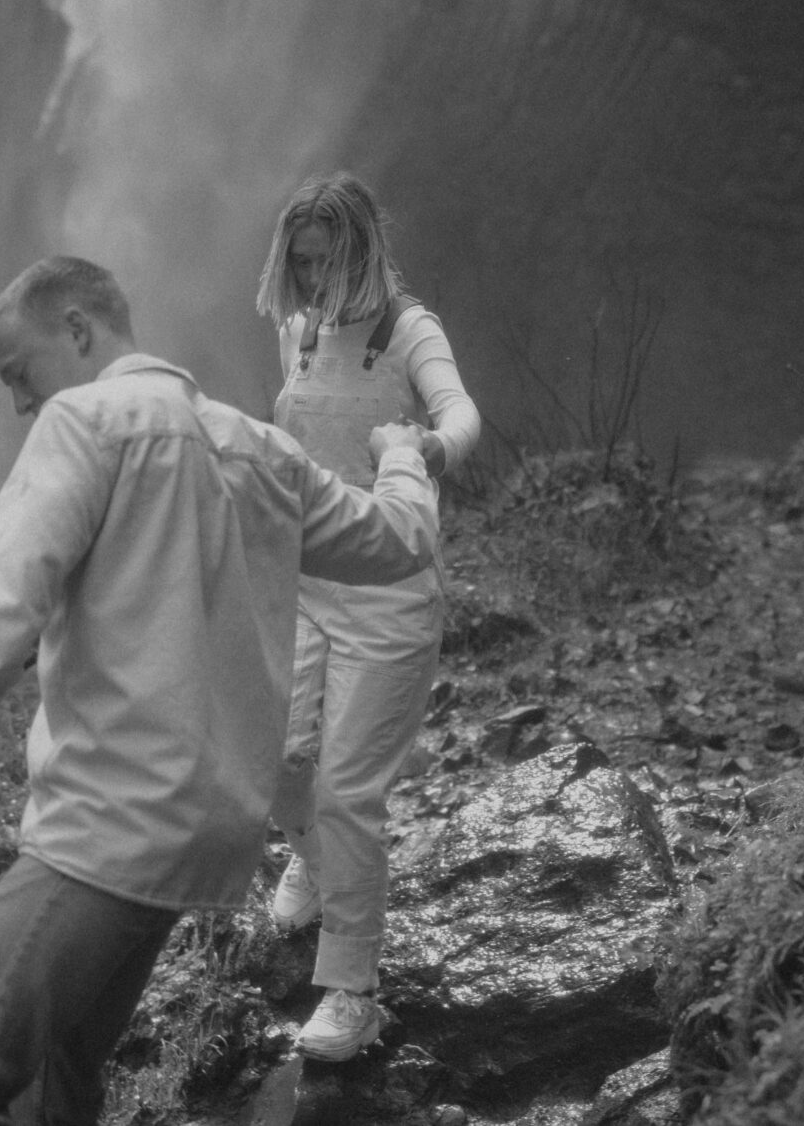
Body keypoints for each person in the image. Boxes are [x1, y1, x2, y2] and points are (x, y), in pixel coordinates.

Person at [0, 255, 440, 1125]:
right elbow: (397, 539)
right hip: (200, 840)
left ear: (78, 329)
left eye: (18, 374)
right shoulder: (264, 450)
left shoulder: (88, 421)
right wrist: (402, 456)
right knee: (58, 1084)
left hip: (103, 831)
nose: (17, 404)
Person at [254, 172, 481, 1061]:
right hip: (309, 577)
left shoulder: (406, 329)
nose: (310, 282)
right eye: (298, 264)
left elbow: (462, 411)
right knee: (270, 751)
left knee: (350, 788)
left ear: (357, 251)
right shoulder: (298, 331)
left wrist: (429, 444)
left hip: (388, 588)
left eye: (322, 262)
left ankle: (353, 989)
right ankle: (314, 863)